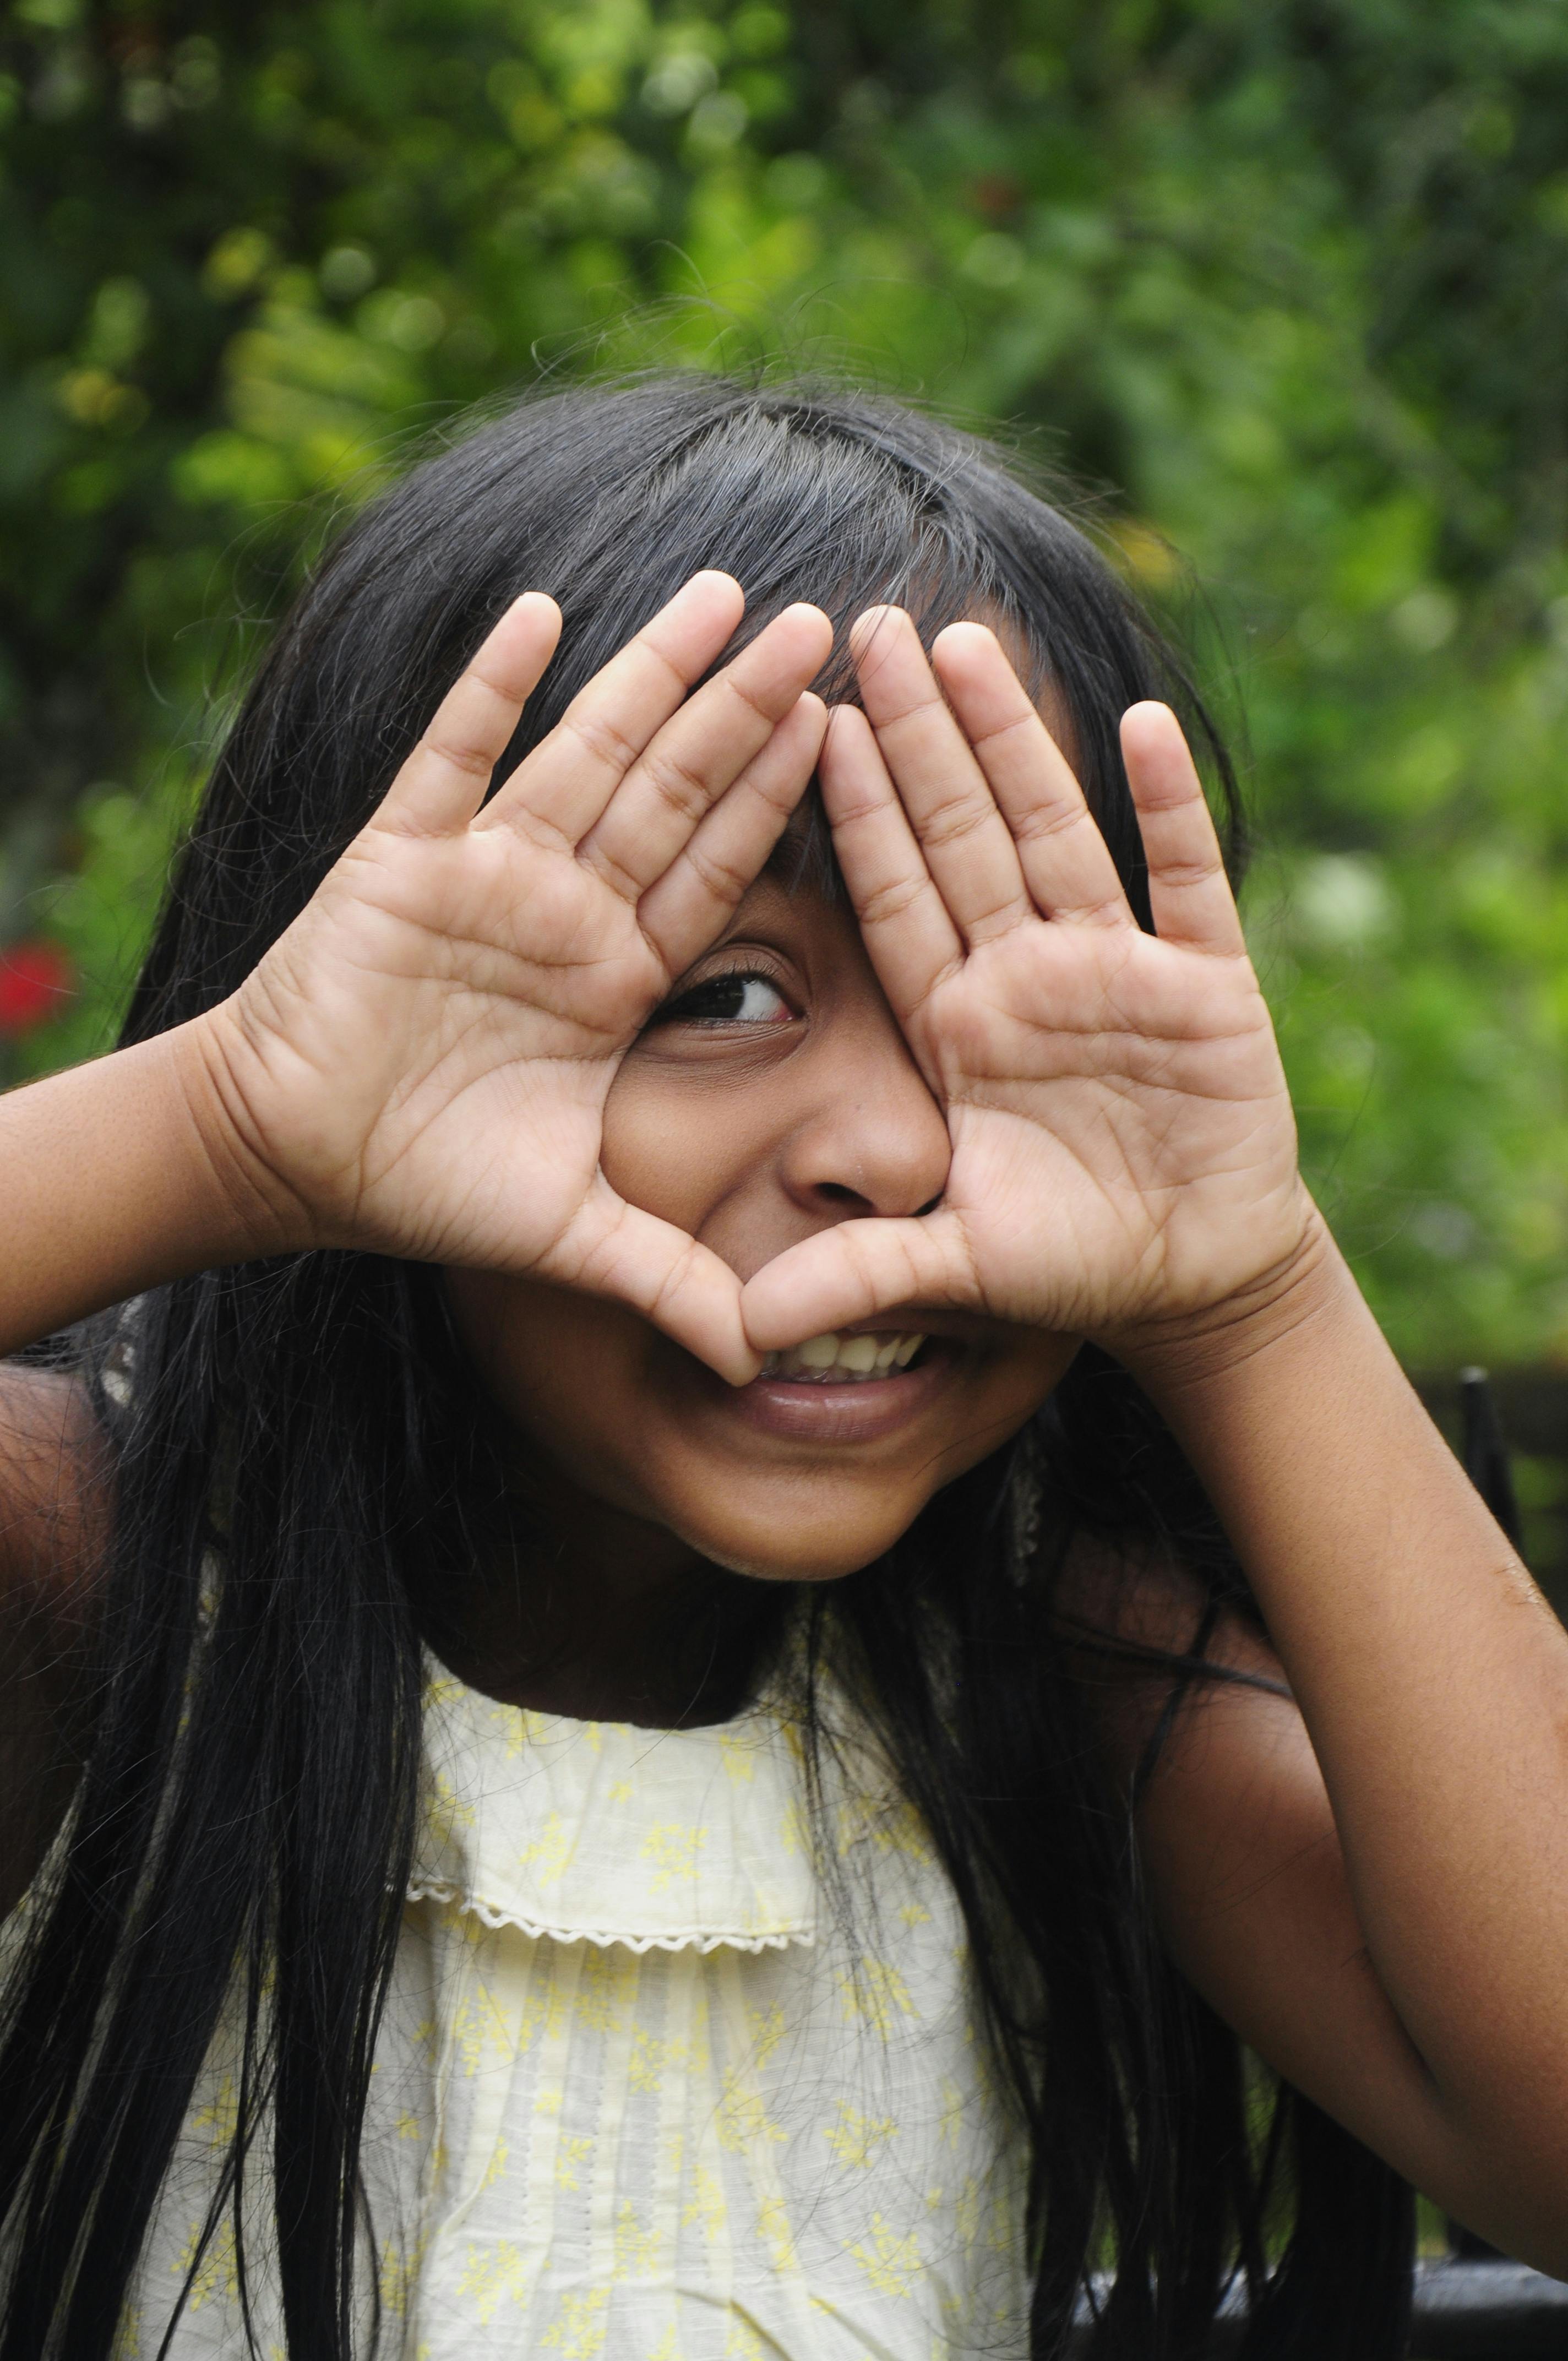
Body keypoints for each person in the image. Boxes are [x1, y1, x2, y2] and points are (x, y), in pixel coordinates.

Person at [2, 377, 1566, 2361]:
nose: (889, 1149)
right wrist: (223, 1125)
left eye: (995, 1008)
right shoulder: (89, 1581)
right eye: (720, 995)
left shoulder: (1033, 1674)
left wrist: (1249, 1296)